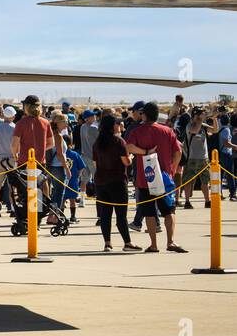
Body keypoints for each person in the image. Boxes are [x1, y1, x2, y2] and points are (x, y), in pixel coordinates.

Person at [124, 101, 186, 254]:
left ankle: (153, 244)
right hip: (165, 177)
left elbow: (129, 148)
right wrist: (172, 170)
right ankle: (171, 241)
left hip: (145, 179)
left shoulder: (137, 131)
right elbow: (178, 152)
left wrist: (145, 152)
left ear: (144, 114)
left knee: (149, 212)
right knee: (169, 210)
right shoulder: (167, 131)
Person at [92, 115, 138, 252]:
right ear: (113, 126)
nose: (120, 126)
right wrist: (131, 156)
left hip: (101, 181)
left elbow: (95, 163)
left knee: (105, 214)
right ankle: (127, 243)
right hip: (117, 181)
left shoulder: (97, 143)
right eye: (118, 124)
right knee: (121, 214)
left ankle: (107, 243)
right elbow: (126, 162)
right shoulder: (119, 141)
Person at [180, 109, 216, 210]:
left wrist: (214, 118)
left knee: (205, 181)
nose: (203, 116)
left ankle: (207, 201)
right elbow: (195, 130)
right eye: (201, 114)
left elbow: (215, 130)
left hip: (204, 158)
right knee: (188, 181)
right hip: (192, 158)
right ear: (195, 115)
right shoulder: (189, 126)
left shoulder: (203, 126)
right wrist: (200, 120)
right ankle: (187, 201)